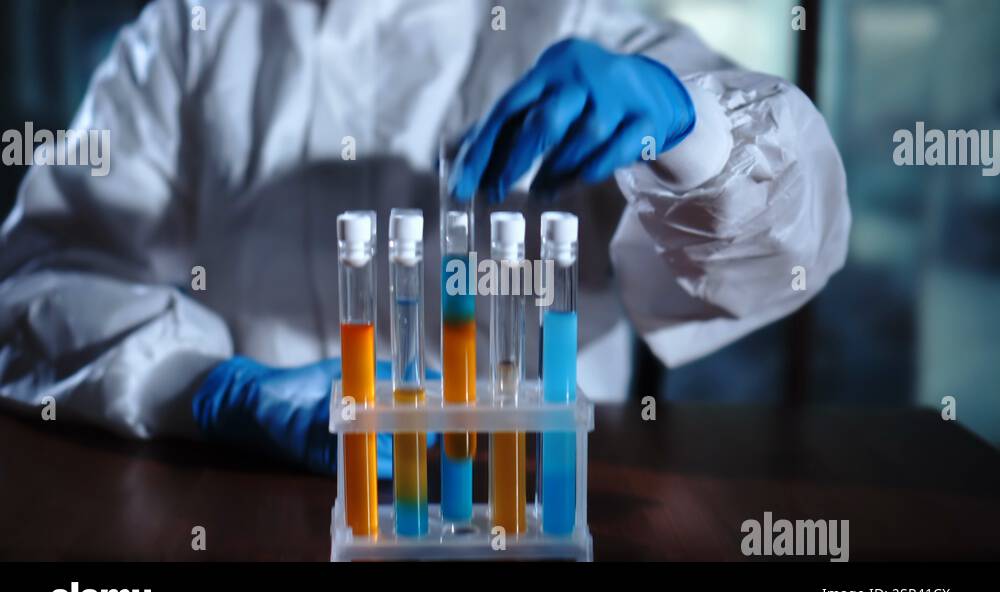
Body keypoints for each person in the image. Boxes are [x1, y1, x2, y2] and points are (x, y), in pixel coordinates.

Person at [0, 0, 850, 474]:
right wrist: (210, 388)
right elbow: (43, 272)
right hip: (252, 496)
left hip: (531, 498)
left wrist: (688, 123)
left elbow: (795, 239)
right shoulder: (194, 31)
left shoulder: (582, 17)